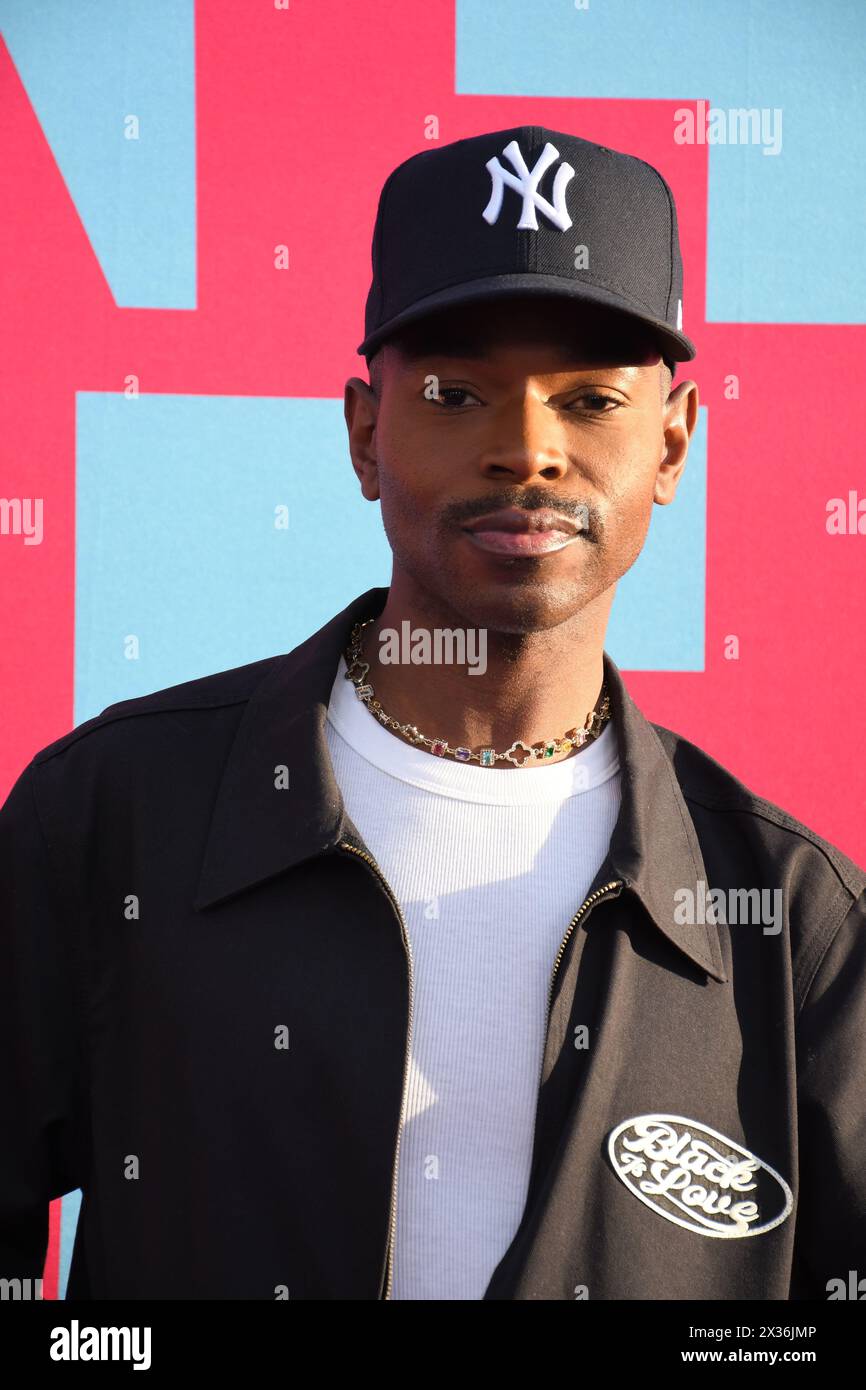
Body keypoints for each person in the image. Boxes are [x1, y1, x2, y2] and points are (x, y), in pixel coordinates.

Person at [1, 126, 864, 1302]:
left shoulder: (789, 915)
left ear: (671, 442)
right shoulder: (110, 814)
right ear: (365, 432)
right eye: (455, 395)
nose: (526, 452)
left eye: (589, 399)